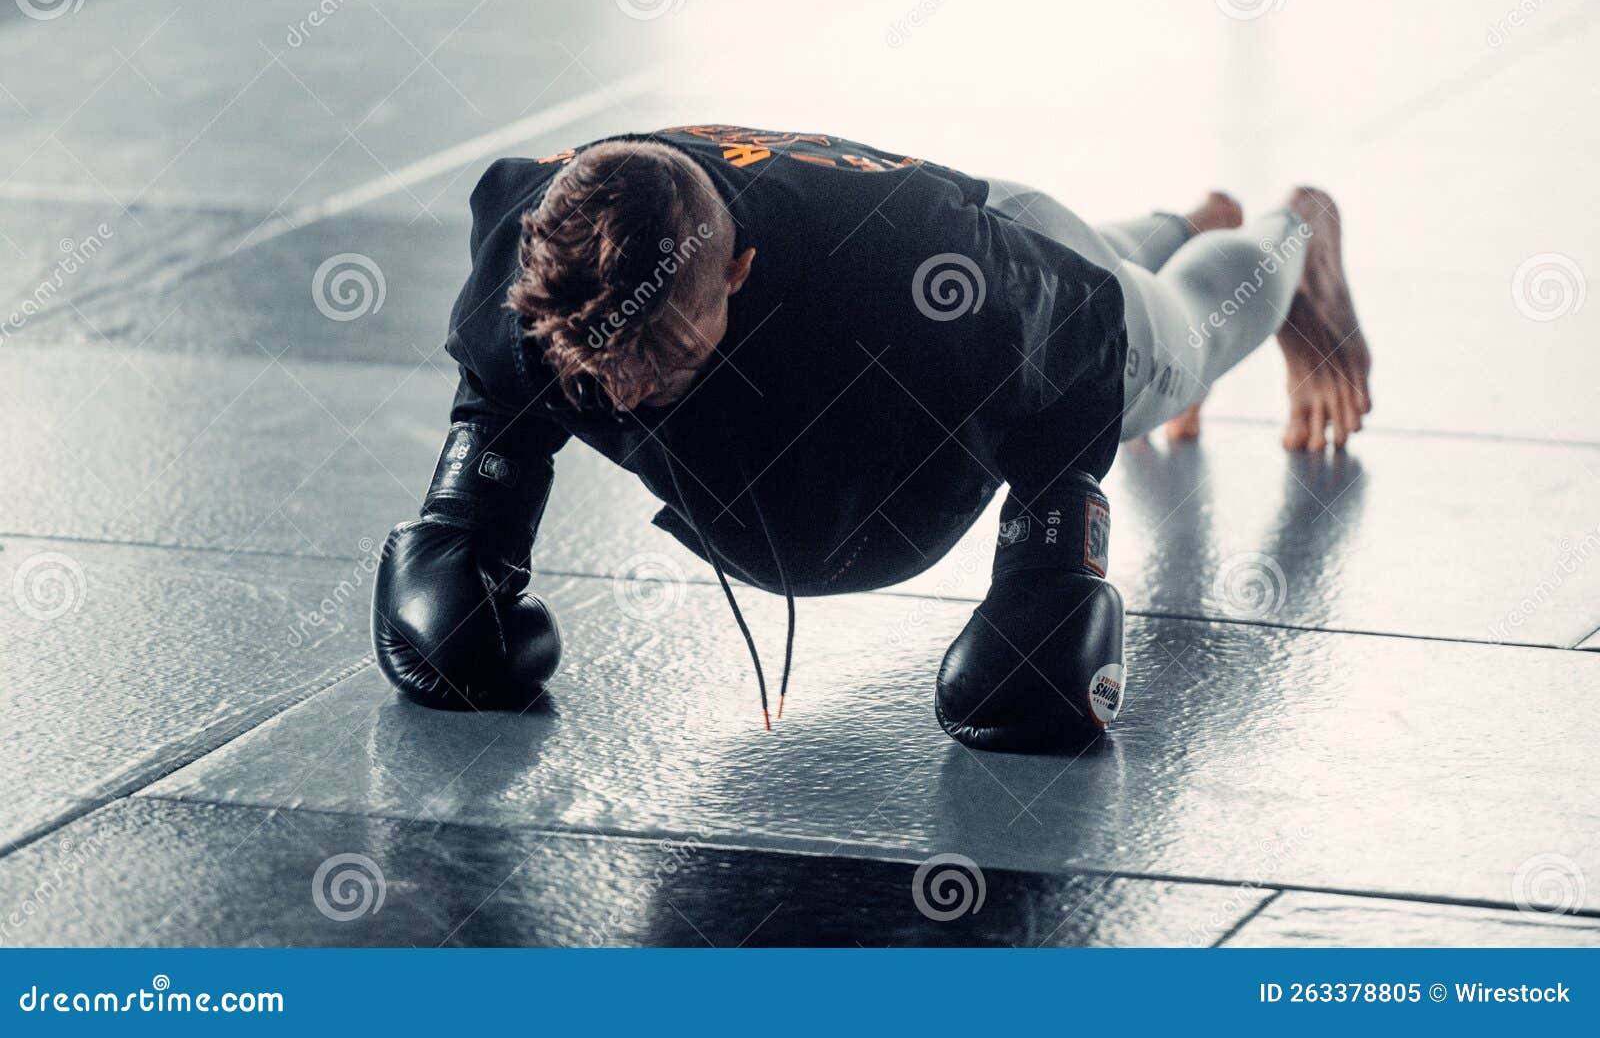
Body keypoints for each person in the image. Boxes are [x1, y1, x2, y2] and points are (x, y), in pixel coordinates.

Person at [371, 125, 1372, 753]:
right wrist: (466, 559)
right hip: (971, 261)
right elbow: (495, 412)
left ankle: (1293, 235)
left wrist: (1045, 593)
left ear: (740, 271)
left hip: (1015, 268)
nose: (630, 395)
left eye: (666, 355)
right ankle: (1176, 217)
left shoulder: (924, 278)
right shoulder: (538, 267)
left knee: (1178, 345)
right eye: (601, 367)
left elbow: (1068, 391)